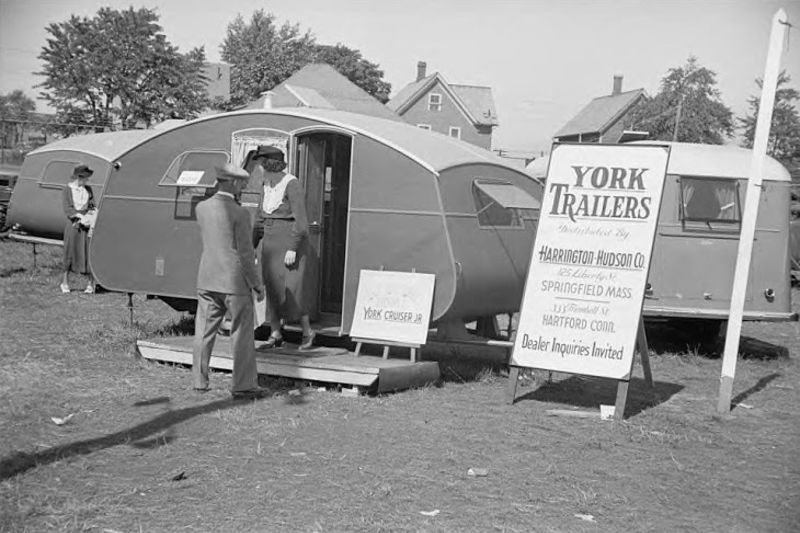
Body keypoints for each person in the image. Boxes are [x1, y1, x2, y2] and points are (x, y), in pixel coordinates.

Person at [192, 163, 267, 399]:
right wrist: (257, 284)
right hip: (233, 281)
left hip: (207, 277)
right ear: (233, 183)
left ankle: (199, 381)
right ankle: (243, 385)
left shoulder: (201, 208)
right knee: (242, 334)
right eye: (243, 183)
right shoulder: (240, 213)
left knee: (203, 331)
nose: (243, 187)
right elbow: (246, 254)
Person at [251, 145, 315, 350]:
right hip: (269, 244)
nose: (259, 167)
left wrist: (293, 247)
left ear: (269, 163)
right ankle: (276, 332)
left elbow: (302, 222)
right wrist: (252, 246)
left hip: (289, 242)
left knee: (293, 289)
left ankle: (307, 332)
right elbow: (259, 220)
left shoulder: (291, 183)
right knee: (272, 287)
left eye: (261, 163)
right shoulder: (266, 184)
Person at [60, 164, 96, 294]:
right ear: (79, 177)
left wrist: (90, 218)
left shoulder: (88, 190)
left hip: (86, 225)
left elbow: (92, 206)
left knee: (88, 251)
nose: (87, 180)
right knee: (69, 251)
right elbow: (67, 208)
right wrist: (79, 216)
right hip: (73, 224)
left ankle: (90, 283)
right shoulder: (67, 190)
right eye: (85, 178)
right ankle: (65, 282)